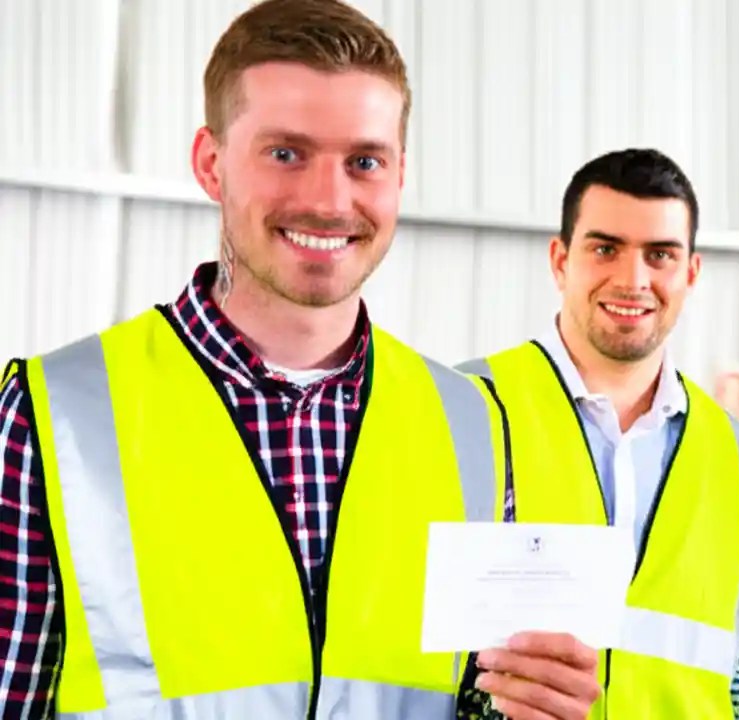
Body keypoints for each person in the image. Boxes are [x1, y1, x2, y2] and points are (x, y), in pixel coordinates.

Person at [0, 1, 599, 717]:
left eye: (364, 161)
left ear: (399, 174)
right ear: (210, 163)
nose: (328, 199)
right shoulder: (56, 413)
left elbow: (471, 698)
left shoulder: (474, 423)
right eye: (286, 153)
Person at [455, 149, 739, 718]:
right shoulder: (462, 409)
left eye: (659, 255)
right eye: (605, 248)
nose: (633, 280)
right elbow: (406, 656)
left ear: (690, 272)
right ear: (561, 260)